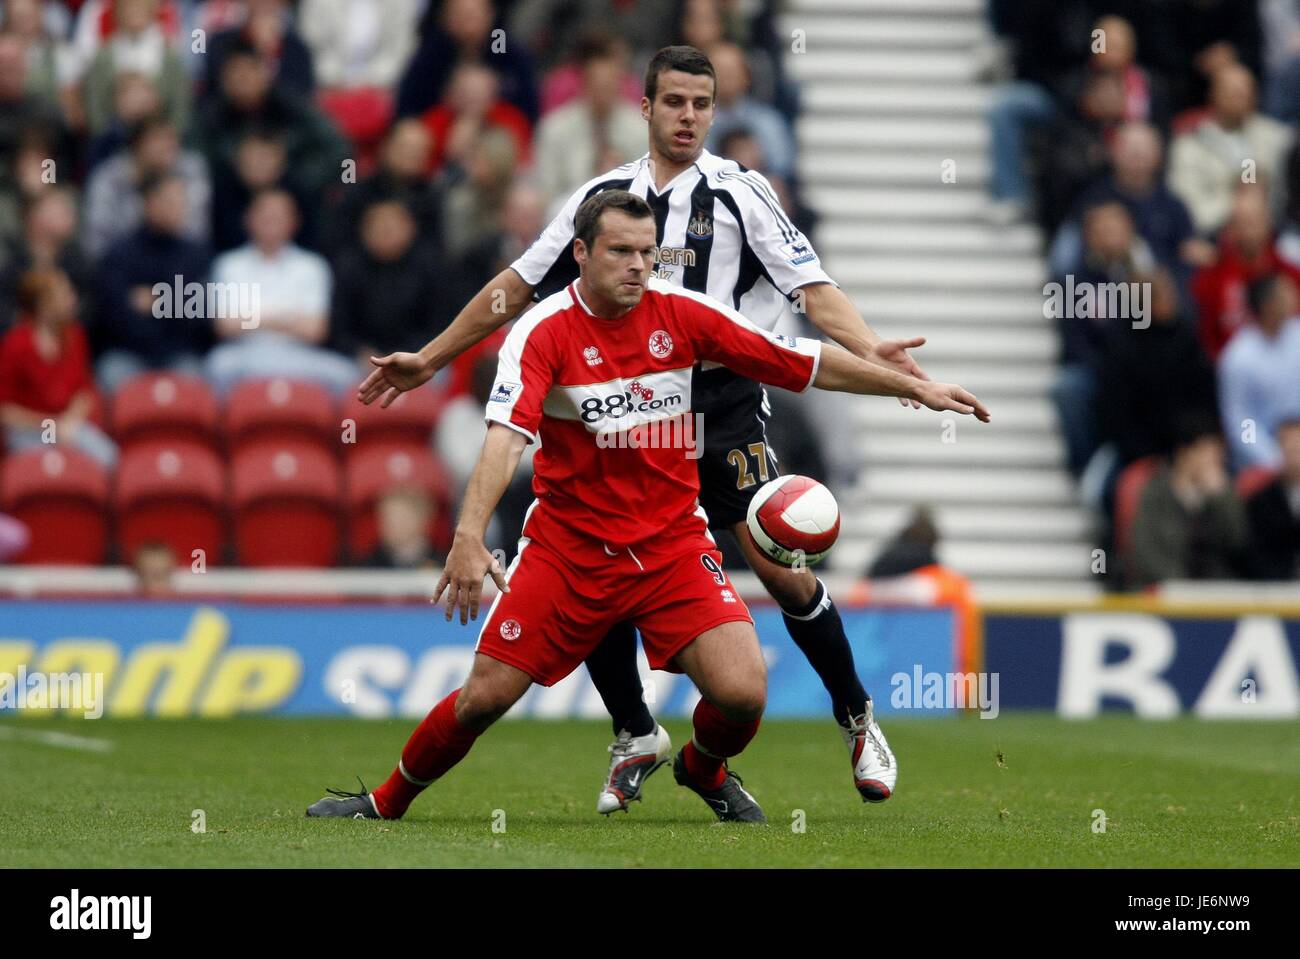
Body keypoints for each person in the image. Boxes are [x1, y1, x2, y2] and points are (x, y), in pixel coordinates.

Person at [355, 46, 938, 813]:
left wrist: (872, 351)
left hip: (720, 406)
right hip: (613, 401)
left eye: (702, 103)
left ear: (714, 110)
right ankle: (635, 727)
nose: (688, 116)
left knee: (782, 563)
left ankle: (856, 716)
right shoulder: (601, 200)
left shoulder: (740, 194)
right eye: (674, 102)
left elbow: (813, 291)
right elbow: (517, 284)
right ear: (647, 107)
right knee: (603, 545)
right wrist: (432, 357)